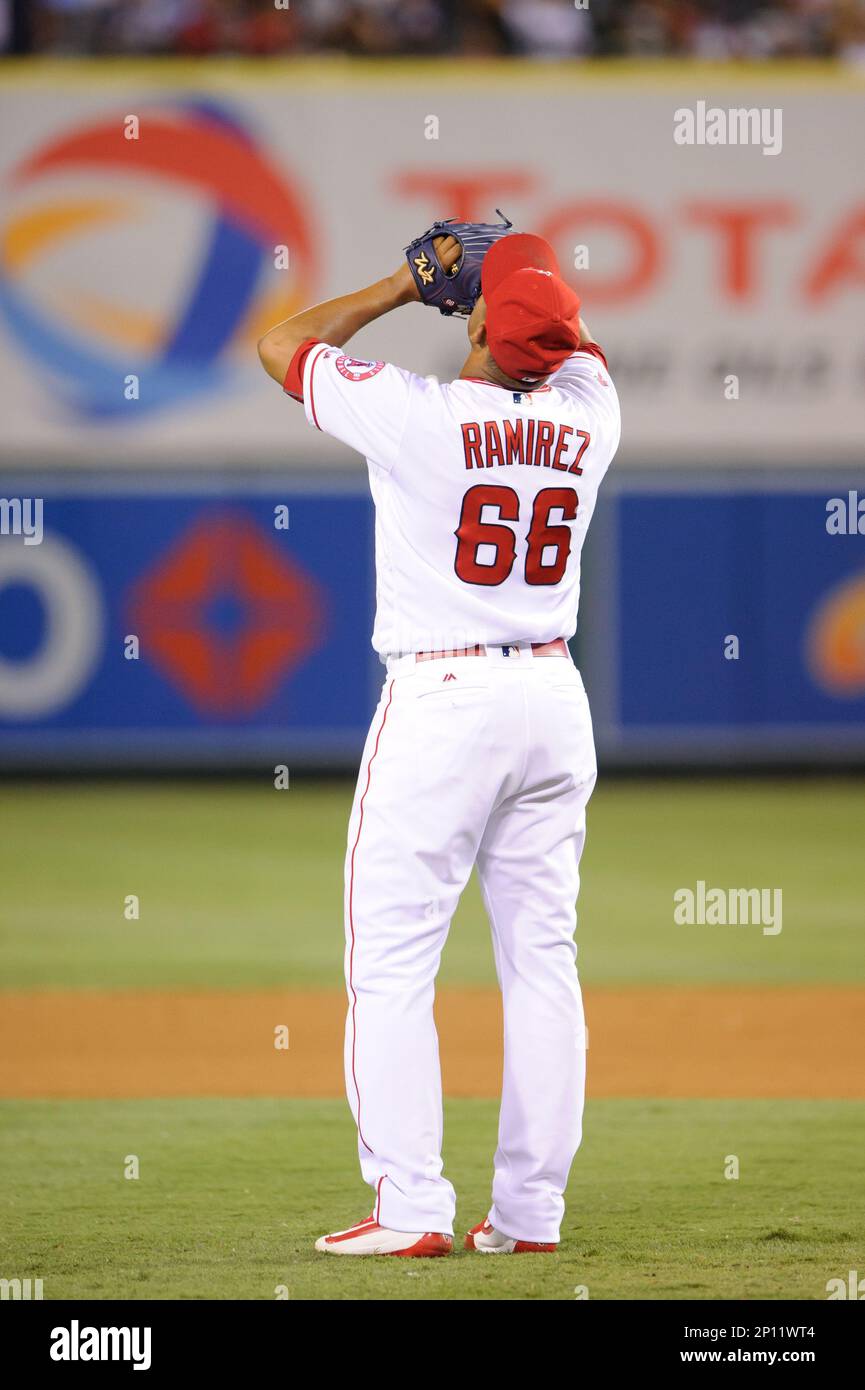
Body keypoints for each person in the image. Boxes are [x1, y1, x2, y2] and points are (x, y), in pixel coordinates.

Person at [258, 226, 621, 1256]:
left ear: (473, 322)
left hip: (443, 697)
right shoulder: (592, 416)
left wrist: (403, 282)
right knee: (543, 962)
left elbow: (282, 344)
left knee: (391, 964)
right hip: (553, 696)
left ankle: (411, 1204)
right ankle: (529, 1215)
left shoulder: (420, 416)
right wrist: (510, 285)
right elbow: (564, 335)